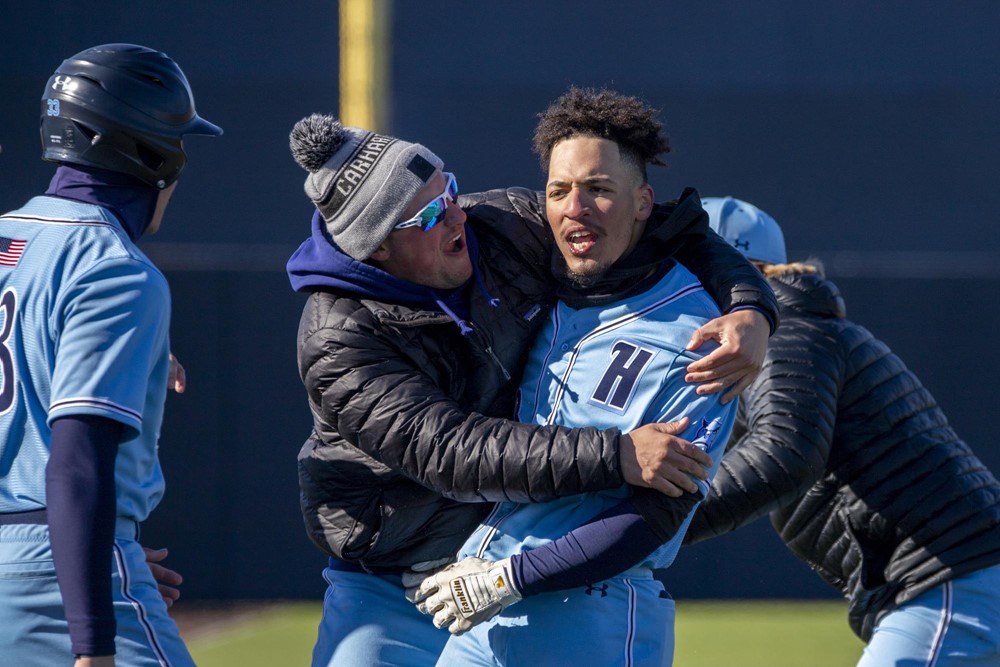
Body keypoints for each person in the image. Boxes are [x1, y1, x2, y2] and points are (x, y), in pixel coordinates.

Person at [287, 107, 777, 666]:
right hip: (393, 574)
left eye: (449, 190)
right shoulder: (336, 338)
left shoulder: (502, 223)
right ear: (375, 248)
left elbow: (662, 226)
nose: (457, 218)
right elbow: (450, 451)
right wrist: (616, 454)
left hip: (509, 567)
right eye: (428, 214)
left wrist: (751, 307)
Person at [401, 87, 735, 667]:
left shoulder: (702, 333)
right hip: (479, 600)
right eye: (559, 190)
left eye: (599, 189)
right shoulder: (544, 286)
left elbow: (656, 515)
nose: (574, 207)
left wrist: (512, 578)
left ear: (643, 203)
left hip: (589, 615)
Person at [682, 196, 1000, 666]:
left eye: (689, 271)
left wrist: (651, 520)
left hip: (951, 578)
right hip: (956, 577)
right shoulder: (799, 332)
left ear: (737, 269)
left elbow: (782, 452)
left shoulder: (786, 334)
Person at [0, 44, 221, 667]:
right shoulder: (114, 270)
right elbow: (75, 466)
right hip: (57, 575)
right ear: (154, 155)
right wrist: (92, 635)